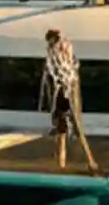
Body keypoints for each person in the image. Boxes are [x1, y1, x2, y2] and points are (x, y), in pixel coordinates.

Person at [42, 29, 98, 172]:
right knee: (74, 127)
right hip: (68, 89)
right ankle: (90, 162)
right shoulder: (65, 48)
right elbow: (72, 67)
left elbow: (52, 75)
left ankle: (63, 164)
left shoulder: (52, 52)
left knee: (63, 131)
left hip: (62, 91)